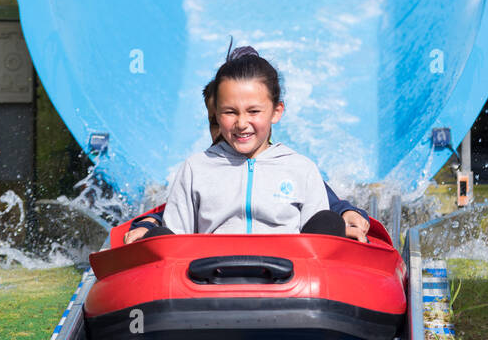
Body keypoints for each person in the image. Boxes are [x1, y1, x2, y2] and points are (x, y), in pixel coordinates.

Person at [123, 47, 369, 242]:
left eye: (253, 111)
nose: (242, 123)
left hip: (287, 280)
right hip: (210, 279)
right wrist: (148, 224)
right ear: (216, 115)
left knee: (327, 221)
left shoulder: (299, 169)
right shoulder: (196, 169)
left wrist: (348, 213)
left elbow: (323, 226)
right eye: (230, 112)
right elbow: (174, 234)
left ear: (276, 111)